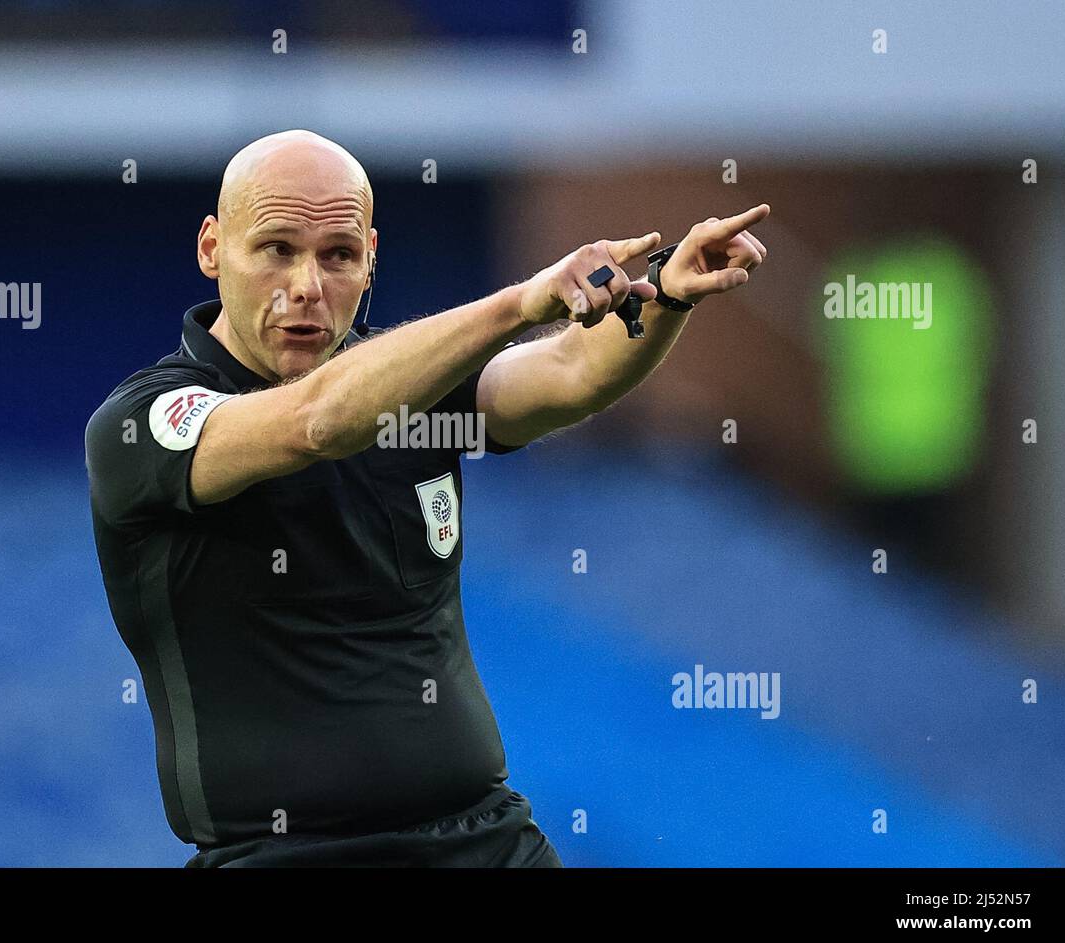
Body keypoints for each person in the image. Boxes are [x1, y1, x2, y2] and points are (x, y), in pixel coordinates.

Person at [85, 129, 768, 866]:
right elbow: (316, 421)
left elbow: (572, 369)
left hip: (483, 839)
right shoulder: (143, 423)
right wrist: (517, 304)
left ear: (371, 255)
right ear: (213, 248)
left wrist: (665, 294)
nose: (308, 284)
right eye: (277, 248)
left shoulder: (418, 391)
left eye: (339, 254)